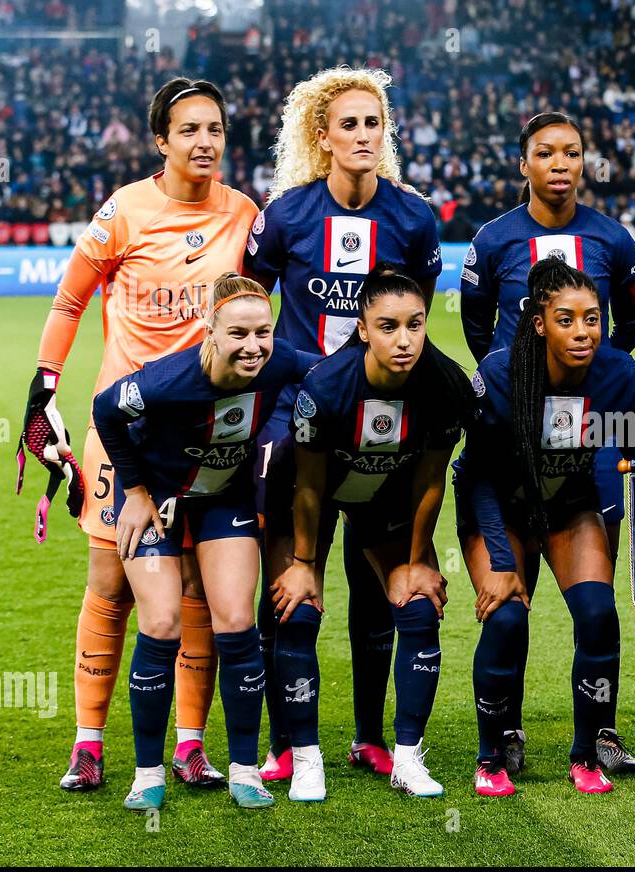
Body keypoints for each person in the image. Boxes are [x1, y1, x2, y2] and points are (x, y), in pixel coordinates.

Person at [21, 77, 258, 793]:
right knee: (111, 583)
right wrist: (45, 382)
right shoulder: (124, 210)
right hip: (122, 426)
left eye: (214, 128)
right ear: (161, 140)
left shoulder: (245, 214)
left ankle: (190, 744)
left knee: (190, 587)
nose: (205, 142)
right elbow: (71, 296)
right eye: (189, 130)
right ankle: (88, 742)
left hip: (205, 431)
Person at [244, 67, 443, 785]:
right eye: (349, 124)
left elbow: (413, 312)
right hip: (296, 425)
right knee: (294, 583)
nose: (364, 135)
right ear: (321, 136)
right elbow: (249, 309)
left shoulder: (414, 217)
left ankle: (367, 737)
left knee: (372, 589)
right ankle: (286, 743)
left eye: (374, 124)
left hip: (380, 427)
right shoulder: (287, 214)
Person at [459, 111, 635, 773]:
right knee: (509, 615)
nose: (562, 164)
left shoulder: (613, 247)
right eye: (547, 153)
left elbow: (619, 445)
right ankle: (501, 742)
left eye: (573, 151)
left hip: (571, 485)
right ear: (526, 163)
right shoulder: (493, 243)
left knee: (596, 612)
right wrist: (521, 385)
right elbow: (476, 325)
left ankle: (594, 743)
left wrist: (589, 376)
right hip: (506, 483)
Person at [91, 274, 319, 809]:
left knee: (237, 622)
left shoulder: (280, 360)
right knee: (162, 623)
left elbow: (333, 373)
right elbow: (105, 409)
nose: (253, 346)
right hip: (158, 499)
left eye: (263, 332)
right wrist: (137, 491)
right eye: (238, 333)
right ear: (209, 331)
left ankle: (245, 769)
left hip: (225, 497)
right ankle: (147, 774)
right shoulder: (167, 381)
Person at [454, 258, 635, 797]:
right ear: (539, 322)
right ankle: (491, 755)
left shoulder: (618, 374)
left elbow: (633, 440)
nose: (583, 332)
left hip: (569, 505)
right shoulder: (500, 376)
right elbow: (475, 477)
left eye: (592, 319)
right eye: (567, 319)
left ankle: (585, 753)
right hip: (498, 507)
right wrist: (502, 564)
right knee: (506, 621)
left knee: (598, 616)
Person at [267, 269, 471, 799]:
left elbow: (430, 482)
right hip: (306, 491)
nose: (404, 340)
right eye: (387, 327)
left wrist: (419, 557)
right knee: (298, 608)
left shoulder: (446, 383)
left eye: (415, 325)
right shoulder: (326, 387)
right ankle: (304, 756)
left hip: (383, 495)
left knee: (419, 605)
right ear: (362, 330)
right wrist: (306, 566)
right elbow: (310, 488)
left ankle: (406, 757)